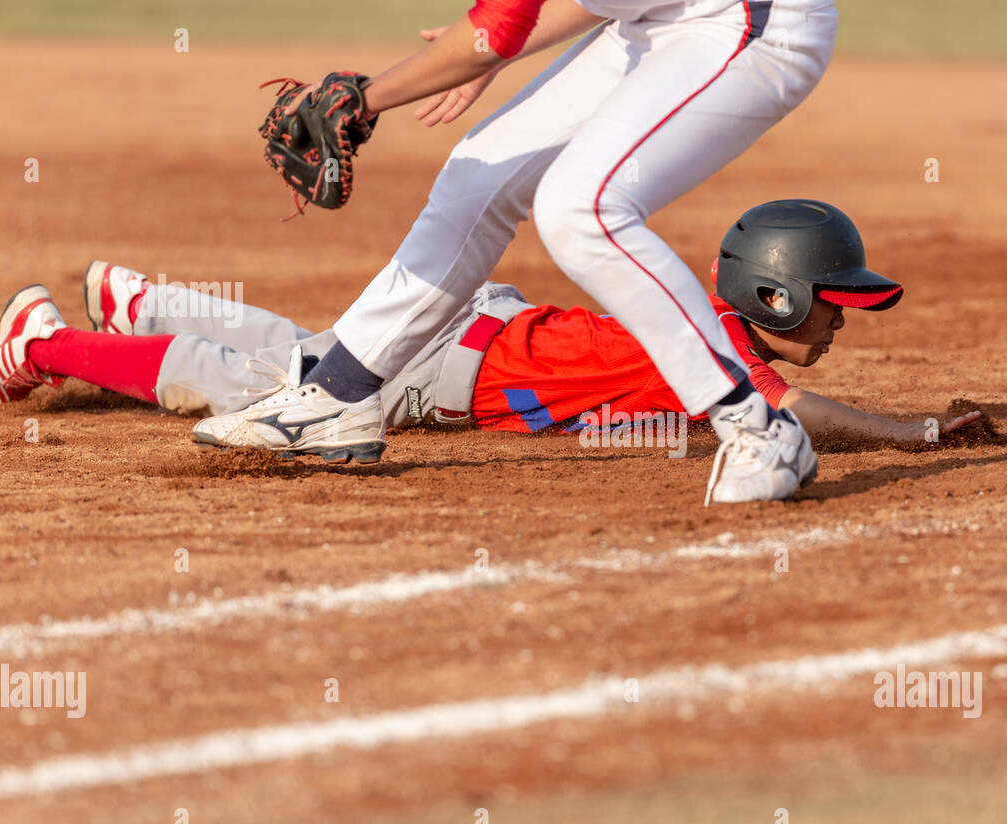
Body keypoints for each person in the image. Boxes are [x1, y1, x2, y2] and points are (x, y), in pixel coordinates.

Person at [189, 0, 842, 503]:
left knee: (582, 208)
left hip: (755, 22)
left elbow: (498, 27)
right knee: (480, 169)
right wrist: (485, 52)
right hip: (659, 16)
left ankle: (757, 427)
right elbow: (531, 17)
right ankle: (340, 395)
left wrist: (361, 99)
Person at [0, 200, 980, 501]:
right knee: (253, 383)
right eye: (833, 302)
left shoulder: (695, 312)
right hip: (450, 370)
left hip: (479, 328)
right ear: (775, 294)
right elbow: (788, 415)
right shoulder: (714, 340)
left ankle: (145, 302)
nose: (842, 319)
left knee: (305, 351)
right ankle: (52, 340)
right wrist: (920, 430)